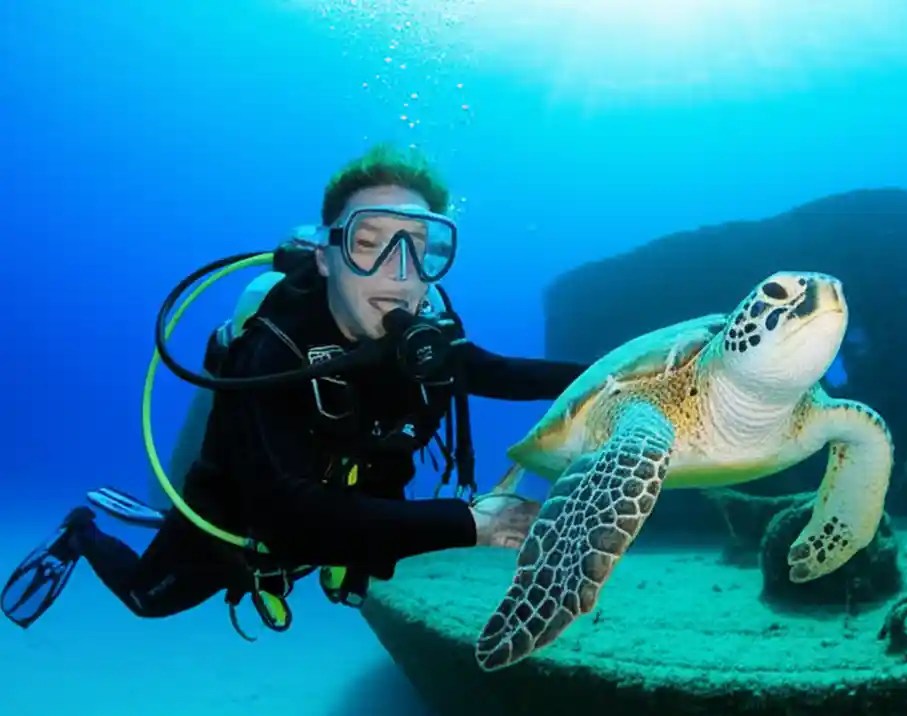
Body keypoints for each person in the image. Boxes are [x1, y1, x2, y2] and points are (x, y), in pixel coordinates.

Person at [1, 143, 588, 636]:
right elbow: (286, 513)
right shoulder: (273, 352)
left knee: (362, 549)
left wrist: (635, 370)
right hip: (244, 516)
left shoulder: (428, 342)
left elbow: (511, 375)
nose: (399, 270)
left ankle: (340, 562)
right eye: (369, 242)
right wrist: (474, 523)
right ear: (327, 257)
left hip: (342, 510)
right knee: (147, 601)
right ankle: (82, 532)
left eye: (420, 245)